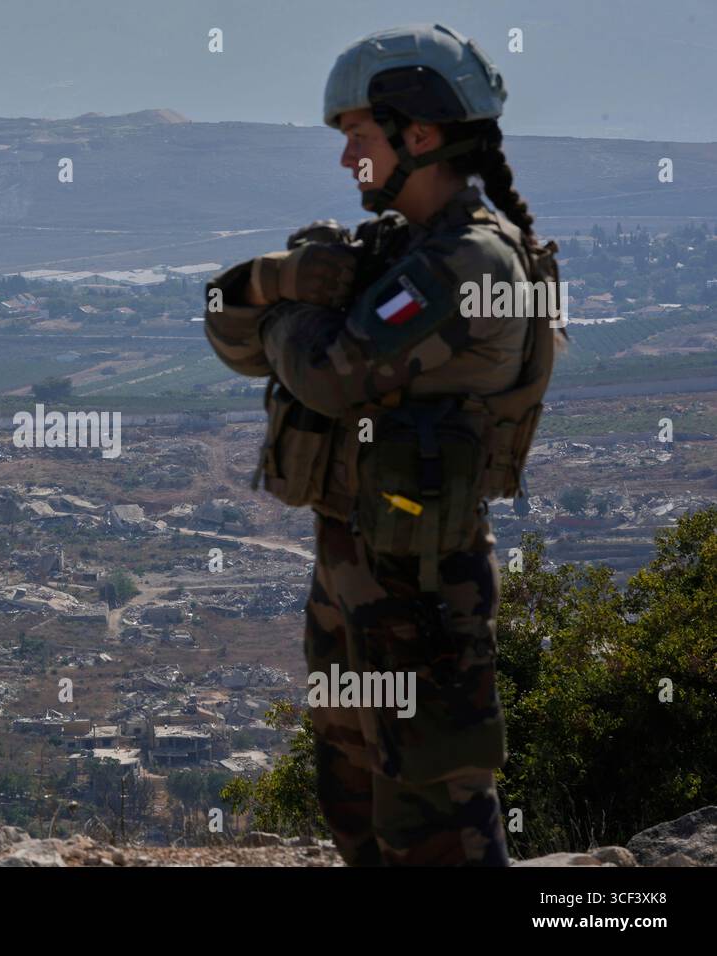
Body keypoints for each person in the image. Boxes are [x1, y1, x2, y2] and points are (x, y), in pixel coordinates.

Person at [203, 23, 569, 865]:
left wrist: (291, 305)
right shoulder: (393, 251)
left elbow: (330, 373)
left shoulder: (469, 262)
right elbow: (230, 336)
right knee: (355, 797)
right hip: (355, 562)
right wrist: (276, 280)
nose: (346, 162)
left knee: (435, 814)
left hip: (424, 577)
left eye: (358, 138)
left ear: (422, 134)